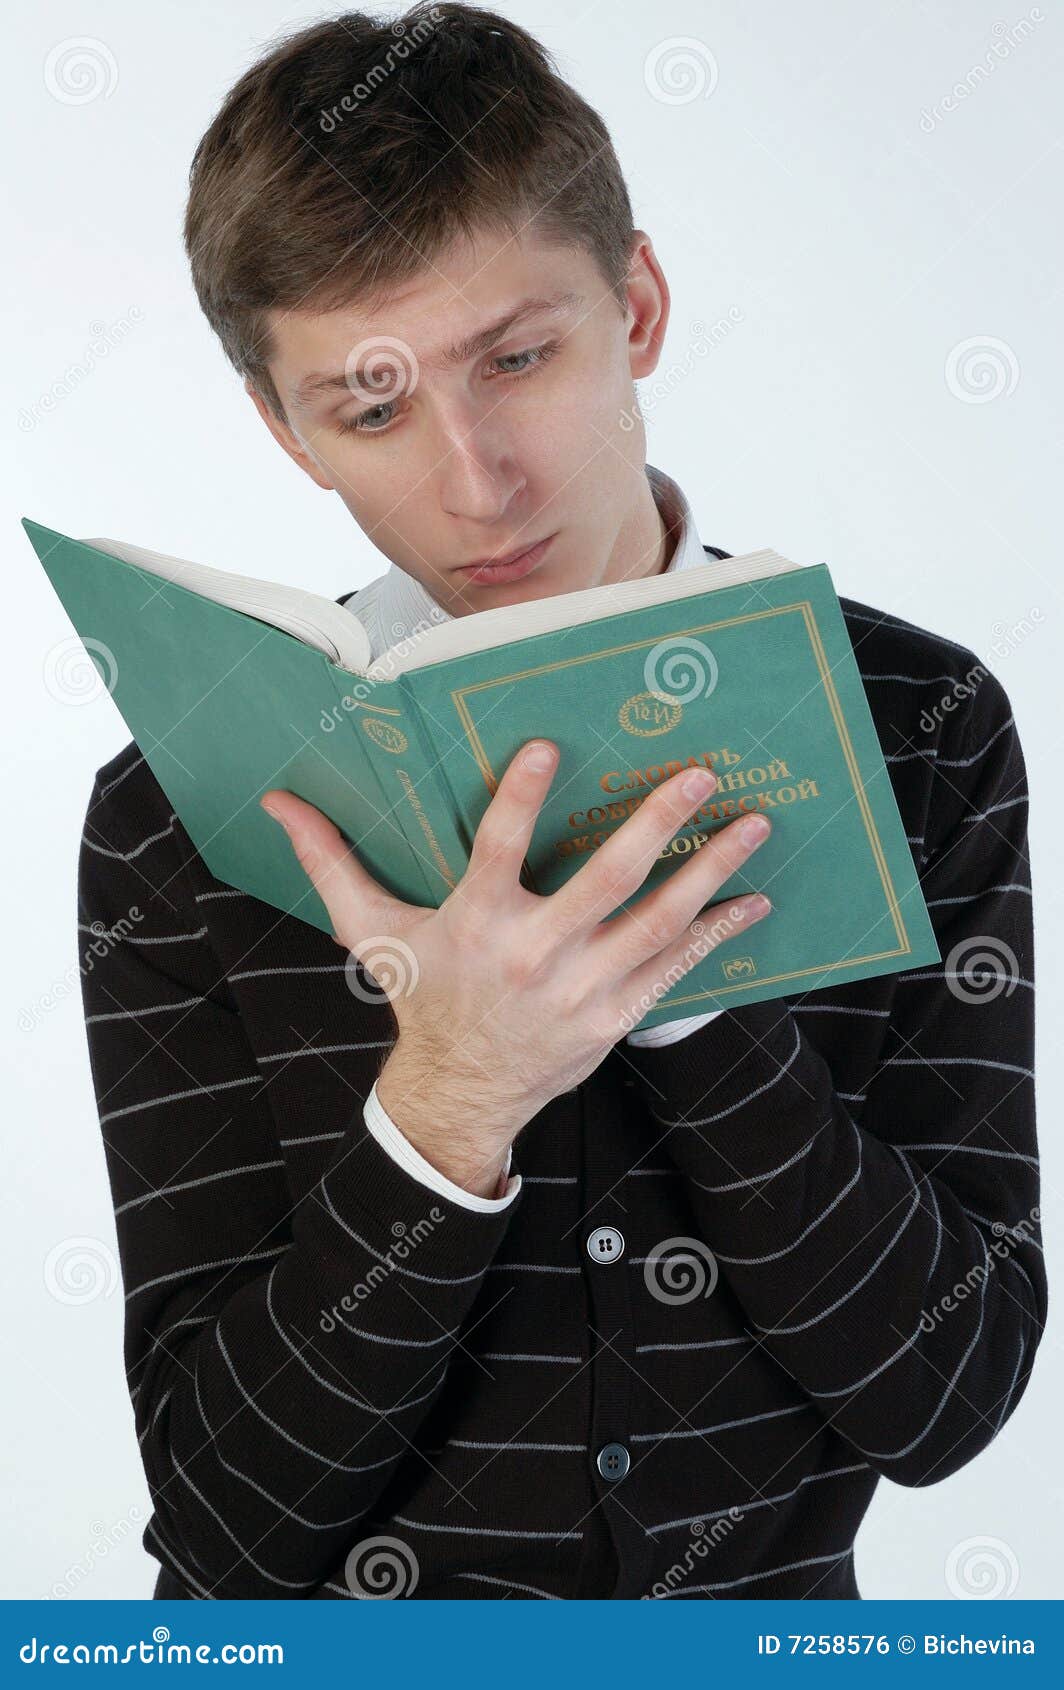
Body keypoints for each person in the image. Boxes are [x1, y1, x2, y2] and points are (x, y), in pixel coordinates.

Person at [78, 3, 1044, 1600]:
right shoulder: (183, 805)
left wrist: (685, 987)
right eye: (372, 409)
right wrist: (448, 1103)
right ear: (283, 428)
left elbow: (948, 1400)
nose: (476, 483)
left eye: (517, 359)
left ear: (638, 306)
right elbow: (226, 1529)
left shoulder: (919, 727)